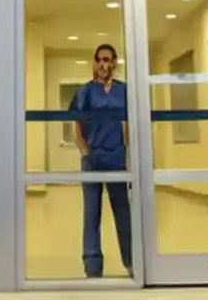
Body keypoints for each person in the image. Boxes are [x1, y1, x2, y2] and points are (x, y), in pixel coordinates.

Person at [70, 43, 133, 278]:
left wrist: (128, 150)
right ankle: (92, 264)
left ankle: (131, 260)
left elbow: (129, 122)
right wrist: (85, 151)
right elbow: (76, 124)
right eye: (99, 60)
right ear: (94, 63)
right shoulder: (85, 91)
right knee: (92, 213)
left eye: (108, 60)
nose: (103, 64)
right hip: (93, 158)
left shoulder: (123, 90)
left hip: (116, 158)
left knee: (123, 212)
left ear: (114, 63)